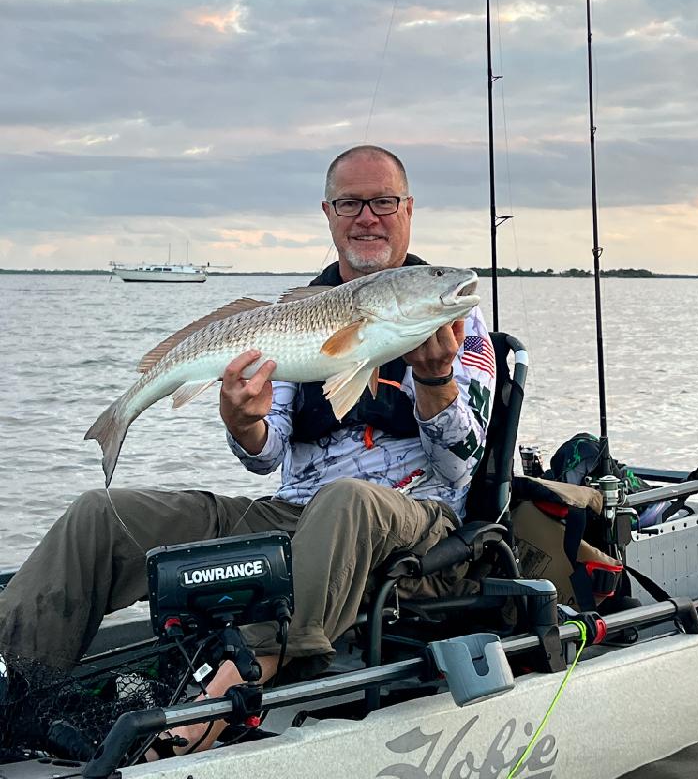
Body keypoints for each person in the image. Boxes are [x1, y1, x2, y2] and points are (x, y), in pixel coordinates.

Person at [0, 144, 495, 754]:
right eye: (350, 203)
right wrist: (244, 423)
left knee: (347, 500)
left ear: (409, 210)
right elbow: (268, 454)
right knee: (99, 517)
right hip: (297, 518)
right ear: (329, 213)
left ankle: (199, 720)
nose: (367, 217)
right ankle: (14, 688)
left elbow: (461, 464)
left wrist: (436, 381)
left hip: (418, 528)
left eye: (383, 202)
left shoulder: (460, 327)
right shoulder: (300, 316)